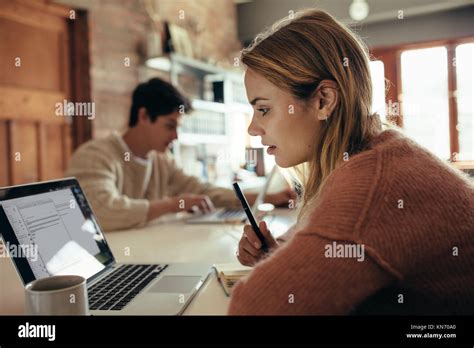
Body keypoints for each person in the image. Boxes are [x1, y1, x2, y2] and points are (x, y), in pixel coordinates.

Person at [228, 9, 474, 315]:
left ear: (323, 101)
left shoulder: (374, 181)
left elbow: (255, 307)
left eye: (263, 109)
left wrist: (282, 273)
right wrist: (282, 259)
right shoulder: (379, 151)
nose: (253, 128)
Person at [66, 78, 295, 231]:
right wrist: (173, 204)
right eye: (169, 125)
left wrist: (268, 198)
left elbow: (206, 193)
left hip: (143, 254)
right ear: (144, 116)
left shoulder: (161, 160)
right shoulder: (96, 156)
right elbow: (101, 211)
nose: (176, 136)